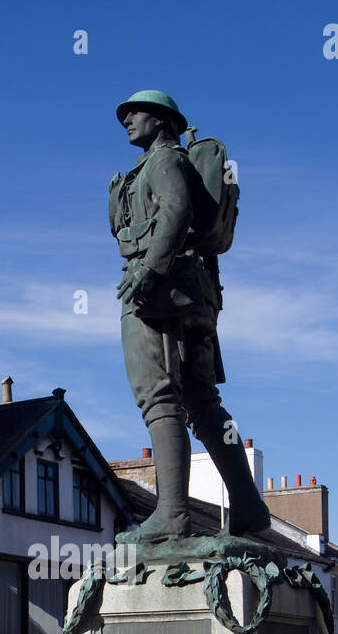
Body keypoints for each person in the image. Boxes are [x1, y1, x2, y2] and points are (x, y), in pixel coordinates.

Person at [109, 91, 270, 542]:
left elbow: (176, 210)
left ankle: (173, 515)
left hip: (160, 293)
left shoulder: (162, 162)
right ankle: (249, 504)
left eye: (135, 113)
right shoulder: (168, 161)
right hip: (195, 294)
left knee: (158, 397)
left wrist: (146, 268)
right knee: (201, 402)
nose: (127, 120)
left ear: (162, 121)